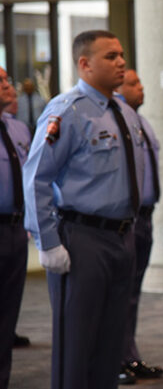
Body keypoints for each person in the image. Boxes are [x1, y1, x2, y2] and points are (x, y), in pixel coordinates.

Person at [23, 30, 145, 389]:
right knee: (76, 342)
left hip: (122, 237)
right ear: (84, 64)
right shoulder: (67, 110)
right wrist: (48, 243)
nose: (121, 62)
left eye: (121, 54)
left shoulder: (124, 111)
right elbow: (36, 179)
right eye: (110, 56)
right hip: (82, 238)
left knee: (111, 342)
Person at [115, 69, 163, 383]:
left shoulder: (140, 122)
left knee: (132, 294)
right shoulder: (116, 121)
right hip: (124, 220)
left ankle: (128, 355)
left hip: (144, 217)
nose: (141, 87)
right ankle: (116, 359)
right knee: (120, 294)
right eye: (133, 83)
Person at [0, 66, 31, 389]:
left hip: (15, 230)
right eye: (0, 81)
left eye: (7, 80)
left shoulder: (19, 129)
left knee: (8, 318)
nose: (8, 86)